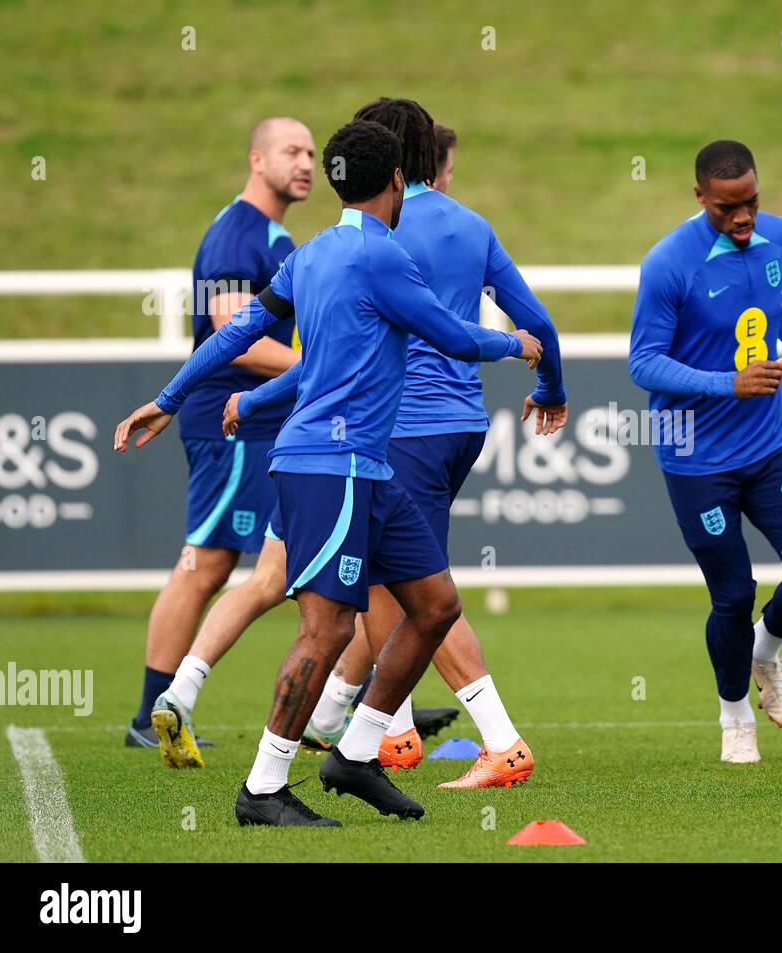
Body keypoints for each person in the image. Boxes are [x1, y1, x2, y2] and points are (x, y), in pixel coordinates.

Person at [115, 119, 541, 826]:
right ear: (400, 180)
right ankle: (262, 787)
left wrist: (172, 396)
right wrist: (517, 342)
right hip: (331, 467)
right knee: (329, 630)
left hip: (366, 469)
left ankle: (357, 751)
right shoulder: (383, 258)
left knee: (434, 605)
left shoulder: (311, 256)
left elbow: (248, 337)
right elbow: (453, 335)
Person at [226, 98, 565, 788]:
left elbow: (330, 358)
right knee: (407, 587)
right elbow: (537, 322)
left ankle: (490, 739)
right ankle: (384, 738)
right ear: (433, 162)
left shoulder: (364, 239)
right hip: (461, 424)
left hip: (391, 431)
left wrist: (256, 397)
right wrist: (553, 387)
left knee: (404, 595)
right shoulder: (470, 225)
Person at [629, 140, 782, 764]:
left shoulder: (781, 237)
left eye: (751, 201)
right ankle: (734, 717)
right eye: (727, 208)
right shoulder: (669, 263)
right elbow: (643, 362)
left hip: (766, 446)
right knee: (732, 593)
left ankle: (763, 656)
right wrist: (729, 383)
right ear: (700, 199)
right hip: (693, 457)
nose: (743, 217)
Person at [126, 117, 313, 751]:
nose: (306, 162)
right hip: (231, 421)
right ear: (257, 159)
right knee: (205, 563)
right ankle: (149, 715)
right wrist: (320, 366)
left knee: (284, 561)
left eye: (312, 152)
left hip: (259, 419)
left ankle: (363, 704)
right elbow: (235, 331)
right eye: (292, 150)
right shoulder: (239, 233)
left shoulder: (269, 232)